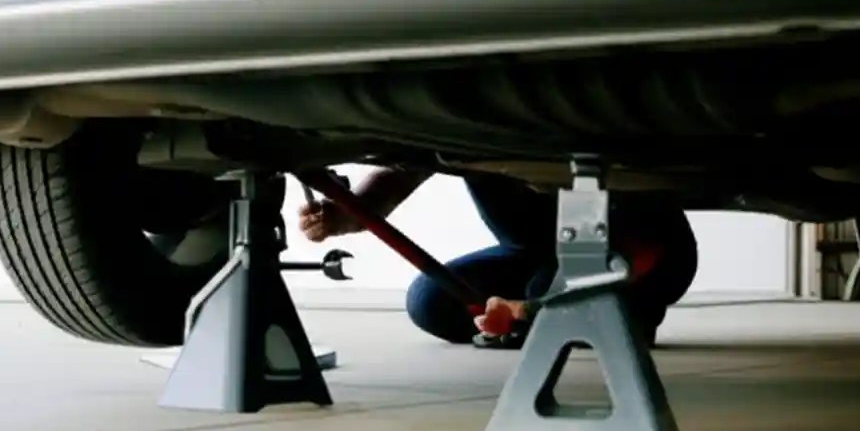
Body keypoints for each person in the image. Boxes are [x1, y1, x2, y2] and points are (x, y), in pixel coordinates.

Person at [298, 167, 697, 347]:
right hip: (538, 251)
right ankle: (553, 309)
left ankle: (619, 313)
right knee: (430, 303)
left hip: (635, 246)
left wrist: (528, 310)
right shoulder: (458, 97)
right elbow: (405, 169)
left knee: (547, 294)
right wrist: (352, 211)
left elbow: (650, 239)